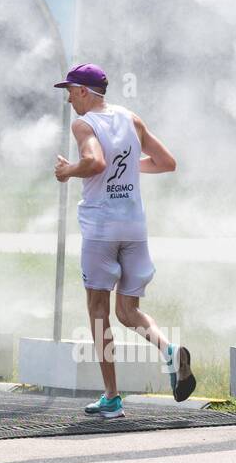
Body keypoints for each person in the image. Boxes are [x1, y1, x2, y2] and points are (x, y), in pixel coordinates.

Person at [52, 64, 195, 419]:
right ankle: (169, 350)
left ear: (85, 91)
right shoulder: (131, 118)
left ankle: (112, 398)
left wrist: (68, 171)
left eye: (70, 91)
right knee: (127, 311)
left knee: (99, 313)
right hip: (135, 227)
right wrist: (129, 168)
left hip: (102, 228)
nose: (68, 98)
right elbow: (167, 162)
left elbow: (95, 162)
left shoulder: (84, 124)